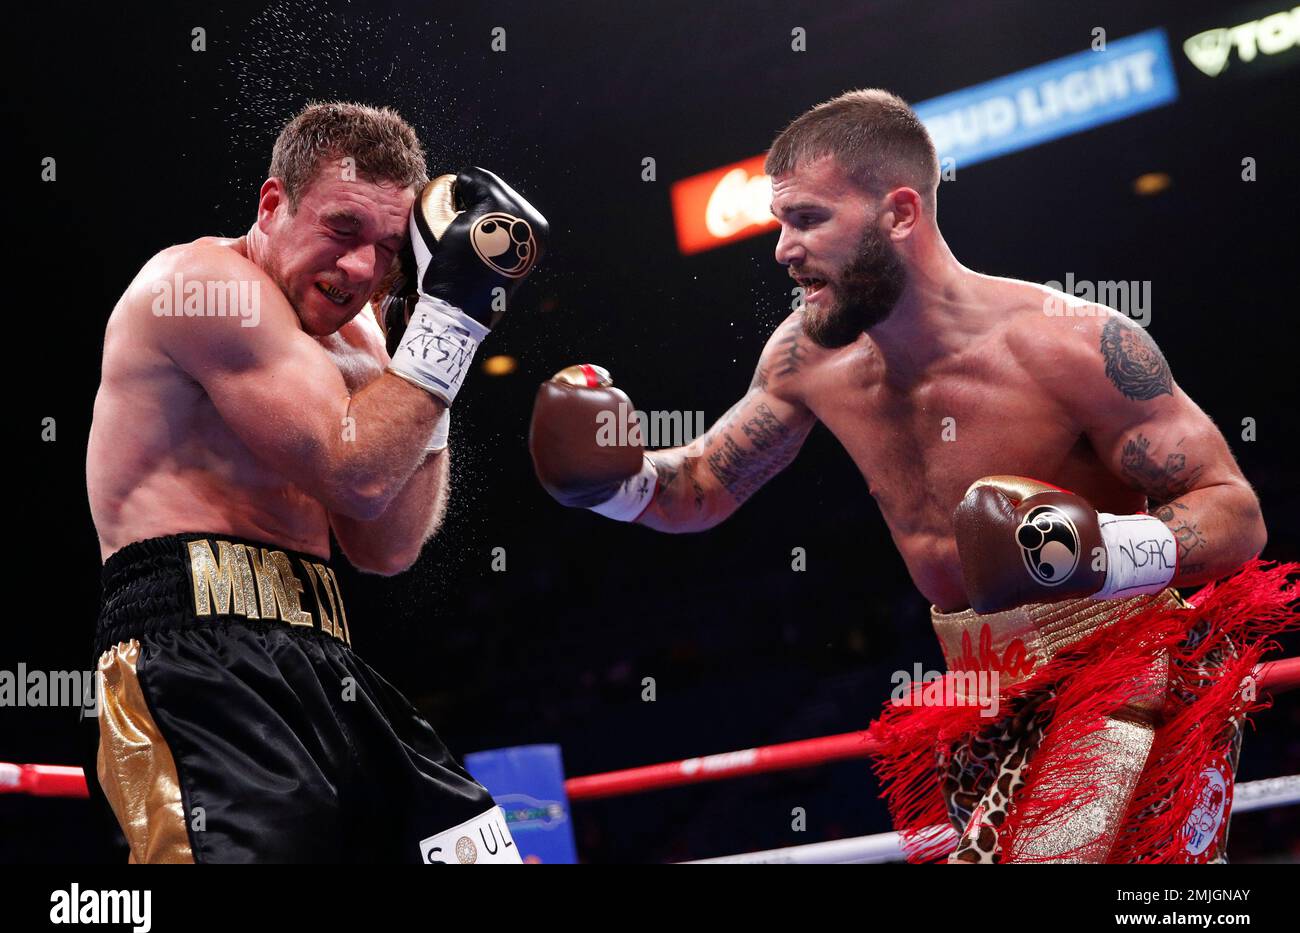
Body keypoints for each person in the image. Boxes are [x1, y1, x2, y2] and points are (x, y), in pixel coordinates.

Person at [528, 89, 1295, 863]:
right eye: (780, 221)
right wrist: (617, 478)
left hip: (1119, 665)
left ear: (900, 212)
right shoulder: (806, 356)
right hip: (982, 688)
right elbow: (697, 487)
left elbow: (1236, 513)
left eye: (808, 218)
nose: (782, 249)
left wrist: (1094, 552)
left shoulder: (1076, 346)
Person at [85, 101, 547, 863]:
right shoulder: (200, 286)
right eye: (342, 228)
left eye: (390, 248)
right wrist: (449, 325)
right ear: (273, 205)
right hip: (194, 658)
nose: (364, 268)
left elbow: (387, 544)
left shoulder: (367, 334)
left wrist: (425, 345)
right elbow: (354, 474)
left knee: (475, 853)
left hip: (323, 656)